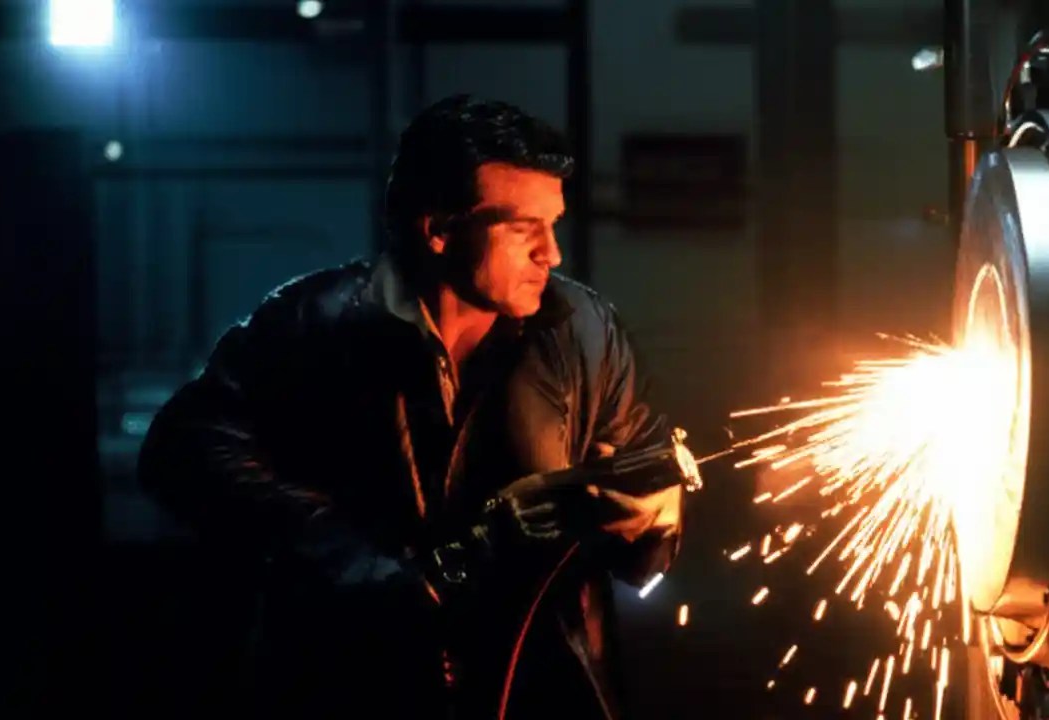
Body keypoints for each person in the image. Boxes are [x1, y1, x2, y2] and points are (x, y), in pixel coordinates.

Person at [137, 94, 685, 719]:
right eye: (523, 230)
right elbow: (180, 452)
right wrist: (372, 569)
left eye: (553, 225)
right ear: (439, 230)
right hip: (350, 687)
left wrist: (649, 524)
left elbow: (640, 541)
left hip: (541, 693)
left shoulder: (584, 332)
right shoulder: (314, 326)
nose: (551, 255)